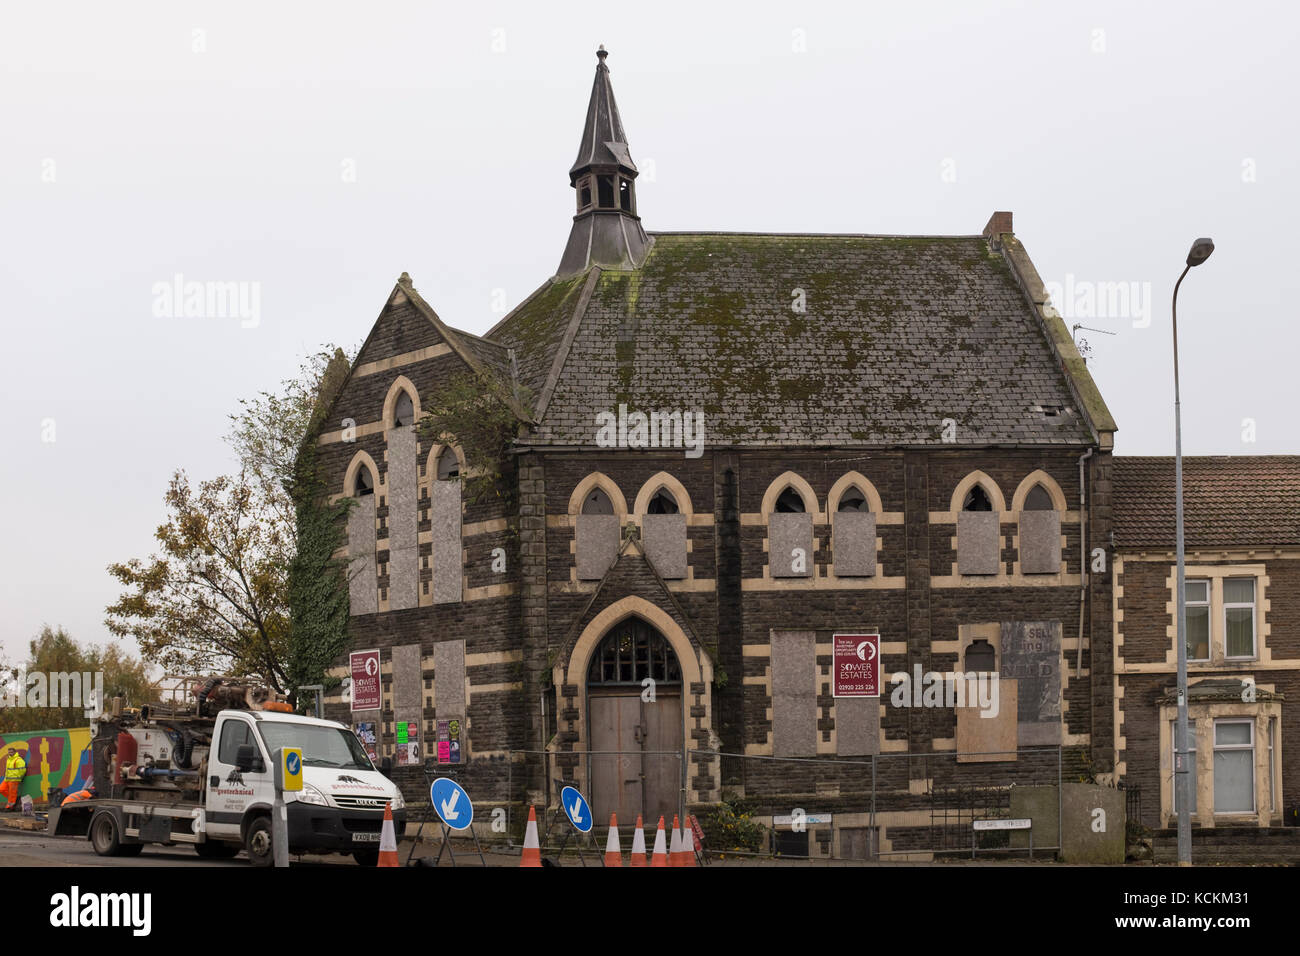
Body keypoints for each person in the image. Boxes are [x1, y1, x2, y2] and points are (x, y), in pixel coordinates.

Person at [2, 747, 26, 811]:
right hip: (7, 779)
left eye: (11, 752)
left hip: (14, 779)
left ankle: (10, 807)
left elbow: (22, 770)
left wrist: (19, 778)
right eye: (9, 752)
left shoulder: (18, 760)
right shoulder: (9, 759)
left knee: (12, 794)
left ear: (15, 752)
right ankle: (15, 799)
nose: (10, 753)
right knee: (1, 789)